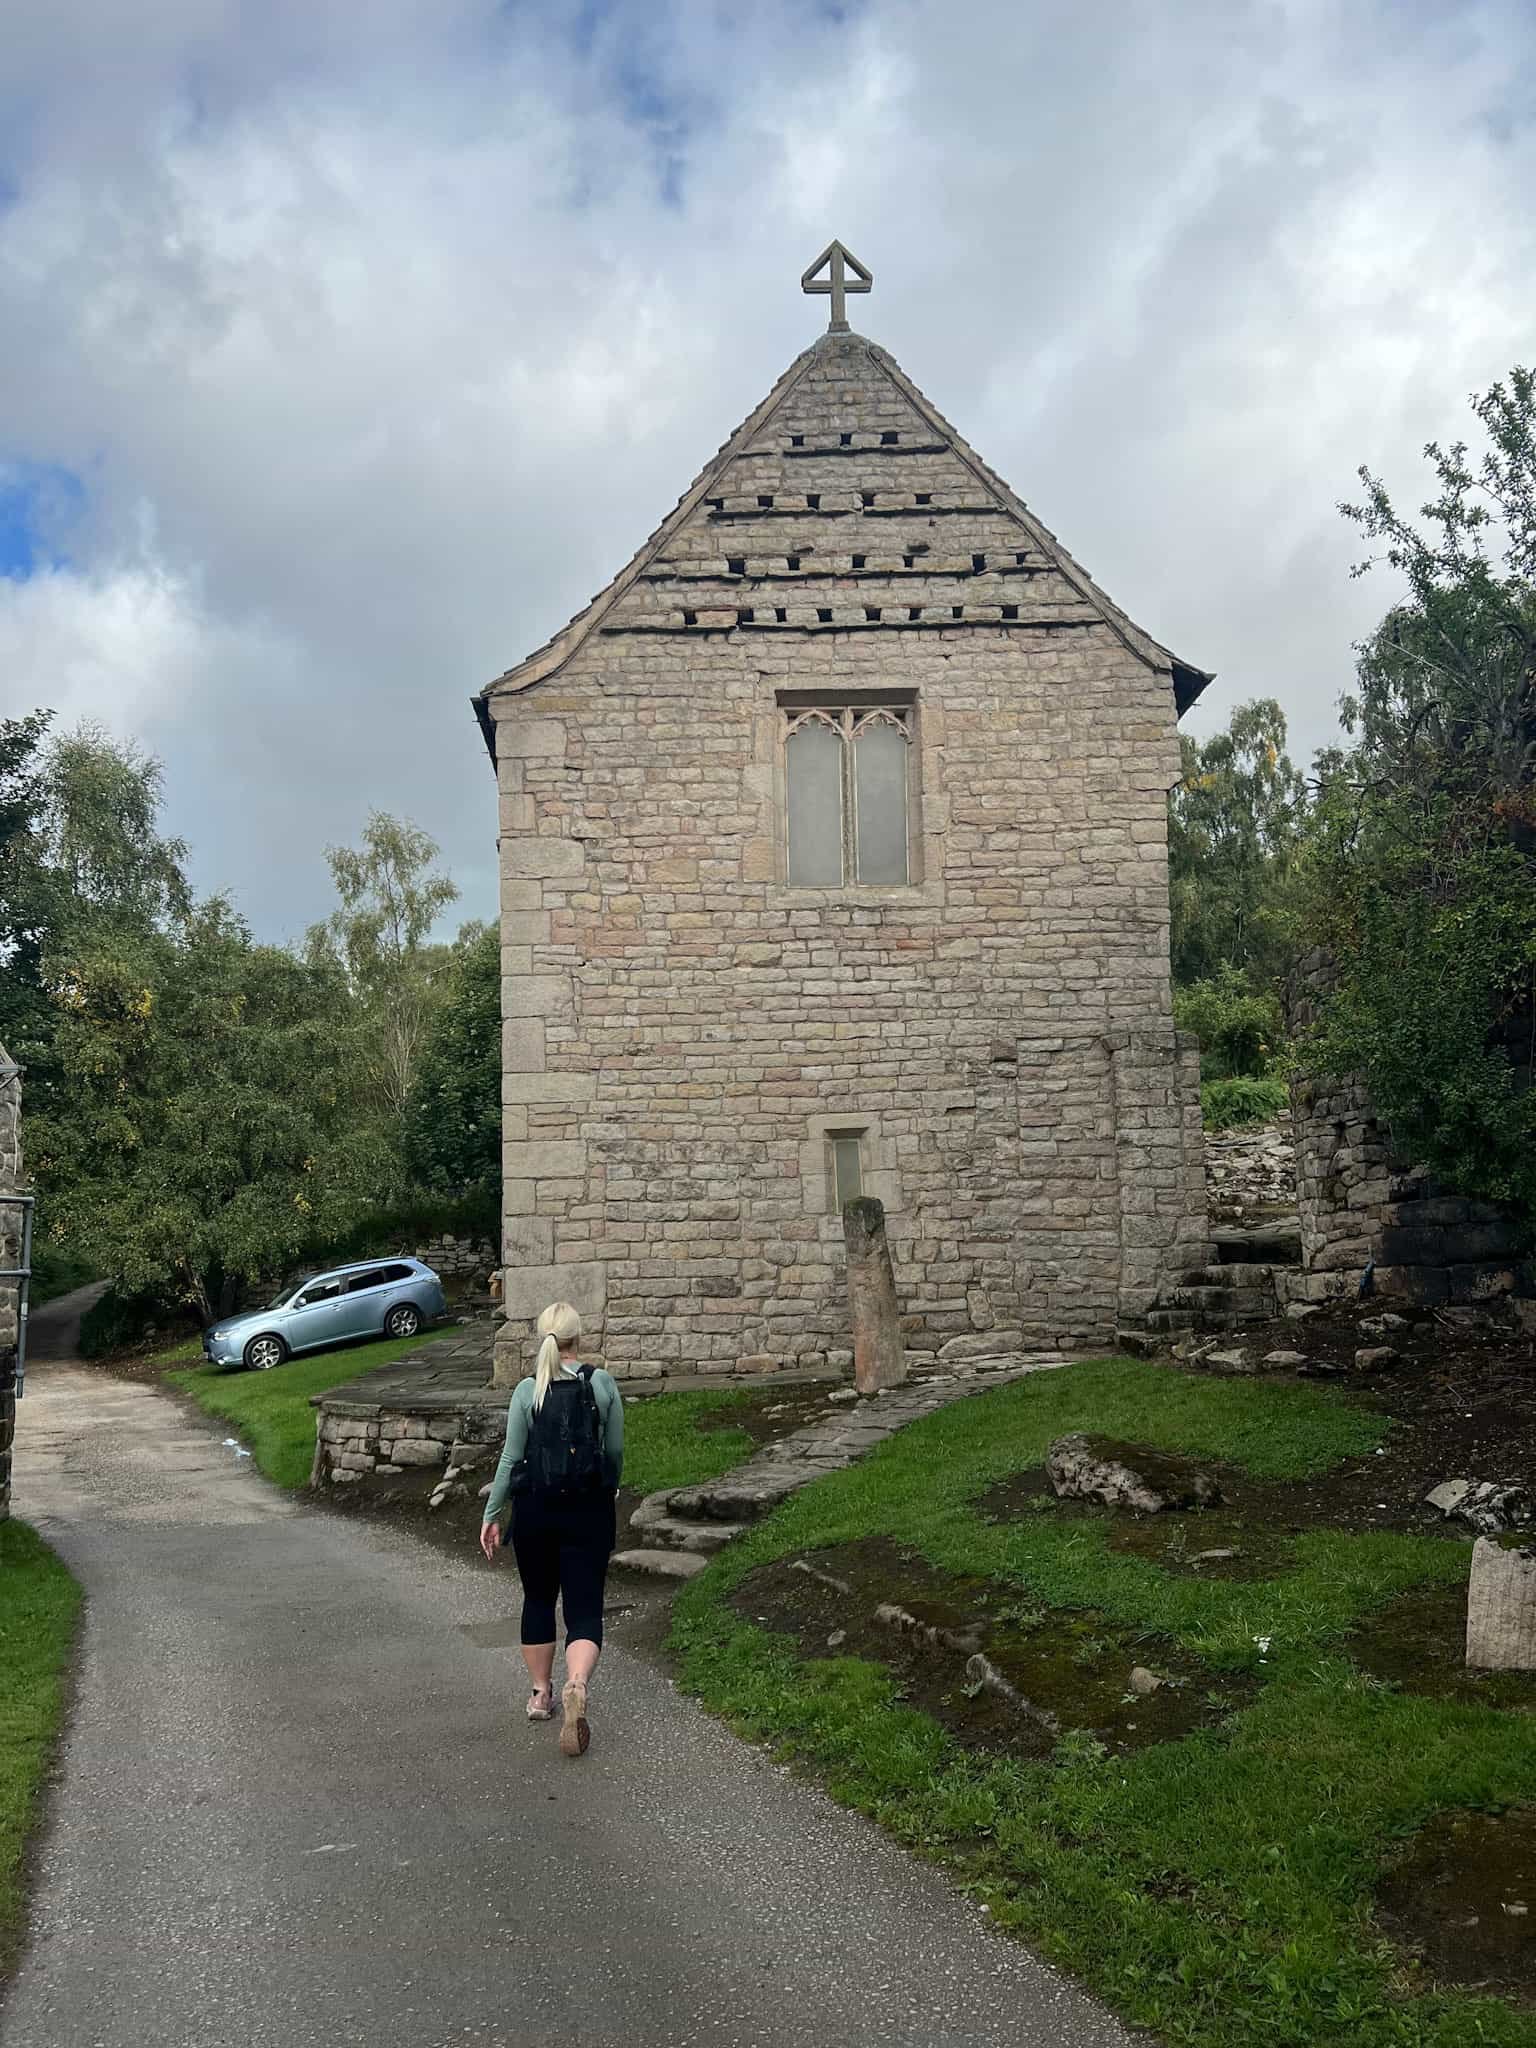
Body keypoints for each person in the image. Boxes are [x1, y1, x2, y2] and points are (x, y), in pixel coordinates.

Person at [479, 1302, 623, 1757]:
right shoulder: (601, 1383)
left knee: (538, 1598)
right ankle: (576, 1683)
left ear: (540, 1337)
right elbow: (614, 1452)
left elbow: (510, 1458)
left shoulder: (527, 1390)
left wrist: (491, 1514)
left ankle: (541, 1694)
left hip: (535, 1511)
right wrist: (608, 1490)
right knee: (584, 1605)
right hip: (588, 1510)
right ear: (580, 1338)